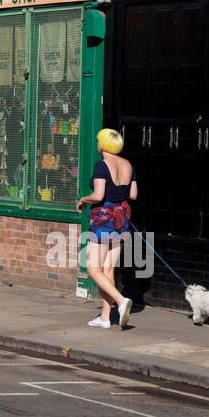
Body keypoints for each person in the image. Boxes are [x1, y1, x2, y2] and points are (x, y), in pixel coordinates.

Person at [75, 128, 137, 329]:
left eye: (97, 140)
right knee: (108, 269)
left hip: (104, 217)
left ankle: (120, 301)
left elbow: (99, 195)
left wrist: (83, 199)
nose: (96, 143)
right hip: (122, 216)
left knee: (93, 269)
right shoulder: (128, 164)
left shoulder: (101, 165)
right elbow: (133, 194)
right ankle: (104, 317)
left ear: (103, 144)